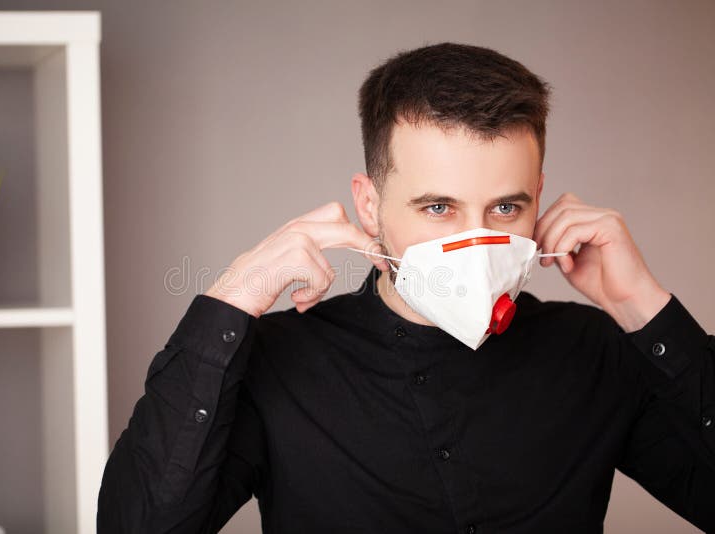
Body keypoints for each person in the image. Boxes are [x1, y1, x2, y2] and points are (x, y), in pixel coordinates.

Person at [97, 42, 715, 533]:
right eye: (439, 207)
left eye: (505, 207)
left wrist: (645, 306)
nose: (476, 242)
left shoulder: (594, 352)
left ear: (538, 199)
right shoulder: (279, 361)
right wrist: (231, 296)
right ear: (370, 206)